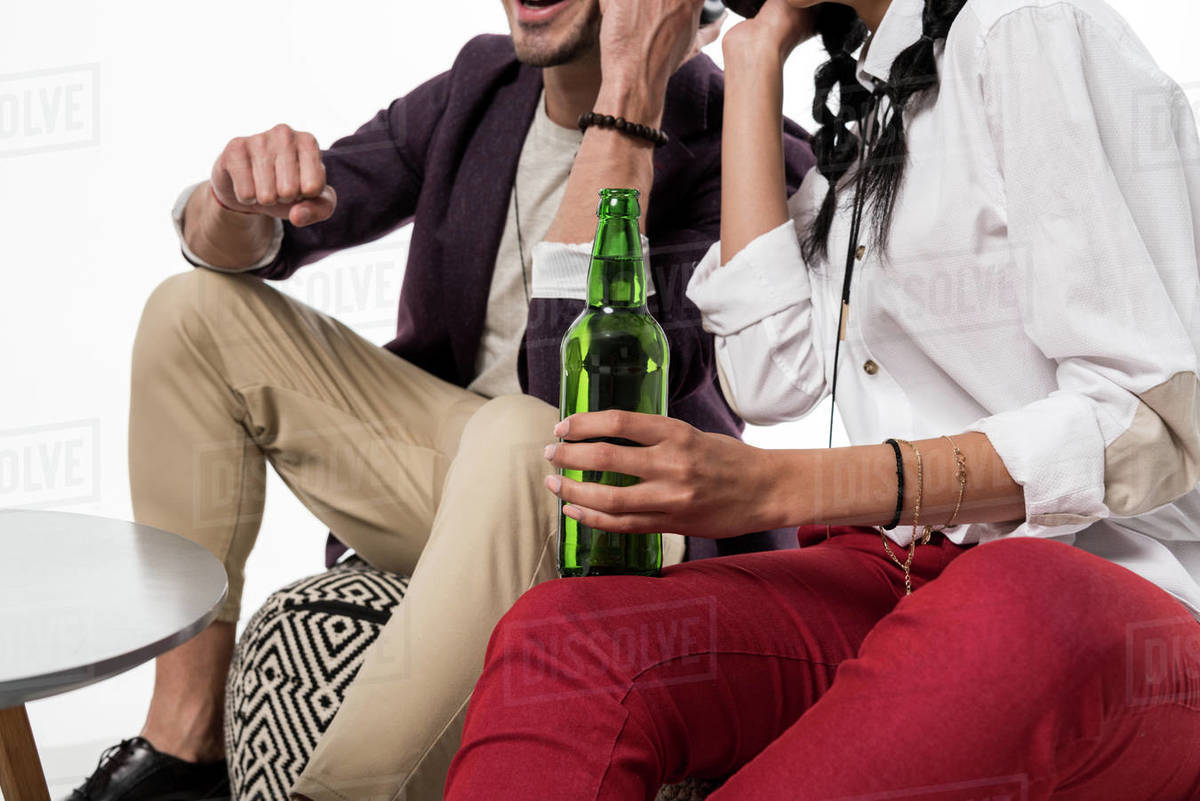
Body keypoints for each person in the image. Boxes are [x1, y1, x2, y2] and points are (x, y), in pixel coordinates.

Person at [444, 0, 1200, 797]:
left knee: (1010, 595)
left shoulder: (1030, 27)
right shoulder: (877, 102)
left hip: (1114, 599)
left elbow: (1151, 418)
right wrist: (755, 56)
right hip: (901, 570)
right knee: (565, 642)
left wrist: (780, 485)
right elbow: (768, 372)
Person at [65, 1, 818, 800]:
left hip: (623, 531)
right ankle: (184, 748)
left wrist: (629, 102)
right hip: (472, 488)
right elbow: (276, 232)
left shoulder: (747, 146)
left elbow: (567, 385)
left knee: (523, 430)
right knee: (191, 313)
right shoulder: (479, 88)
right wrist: (228, 202)